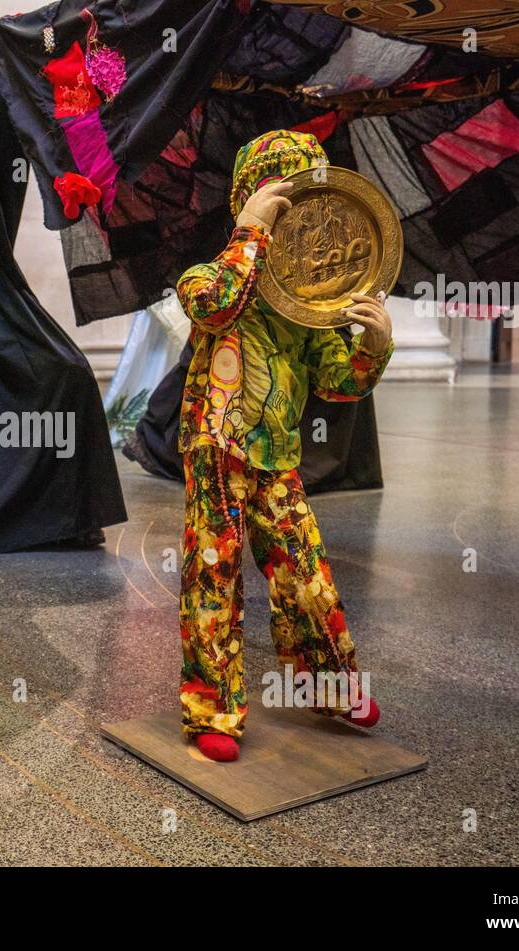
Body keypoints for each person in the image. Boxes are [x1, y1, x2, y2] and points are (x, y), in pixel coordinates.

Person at [175, 130, 394, 763]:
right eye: (279, 204)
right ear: (248, 204)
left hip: (276, 454)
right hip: (216, 447)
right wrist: (250, 234)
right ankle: (210, 706)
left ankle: (325, 683)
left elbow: (337, 382)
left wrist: (373, 347)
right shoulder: (213, 276)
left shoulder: (305, 306)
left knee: (305, 572)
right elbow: (211, 307)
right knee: (211, 575)